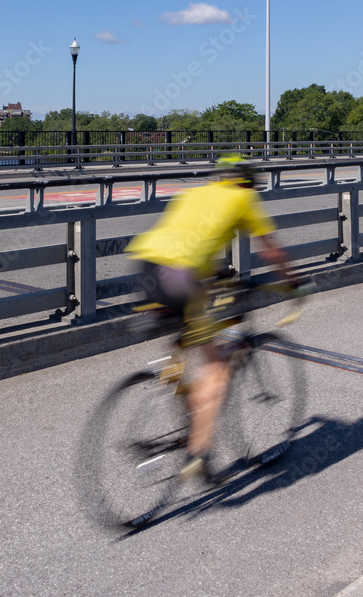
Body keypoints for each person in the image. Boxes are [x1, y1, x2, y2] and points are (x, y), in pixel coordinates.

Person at [125, 155, 293, 481]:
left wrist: (217, 272)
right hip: (182, 277)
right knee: (216, 367)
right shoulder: (243, 197)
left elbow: (184, 242)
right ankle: (197, 455)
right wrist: (295, 283)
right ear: (248, 181)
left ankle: (178, 398)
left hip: (147, 270)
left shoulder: (194, 194)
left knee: (189, 340)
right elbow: (271, 250)